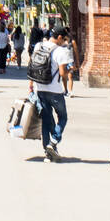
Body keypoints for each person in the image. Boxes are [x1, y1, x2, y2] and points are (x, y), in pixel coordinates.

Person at [28, 27, 73, 161]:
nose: (64, 41)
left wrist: (31, 85)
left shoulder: (38, 46)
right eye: (64, 39)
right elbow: (62, 74)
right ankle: (54, 142)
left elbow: (32, 65)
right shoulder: (61, 51)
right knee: (63, 117)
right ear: (59, 37)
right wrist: (66, 88)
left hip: (40, 88)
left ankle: (48, 152)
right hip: (55, 90)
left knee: (47, 121)